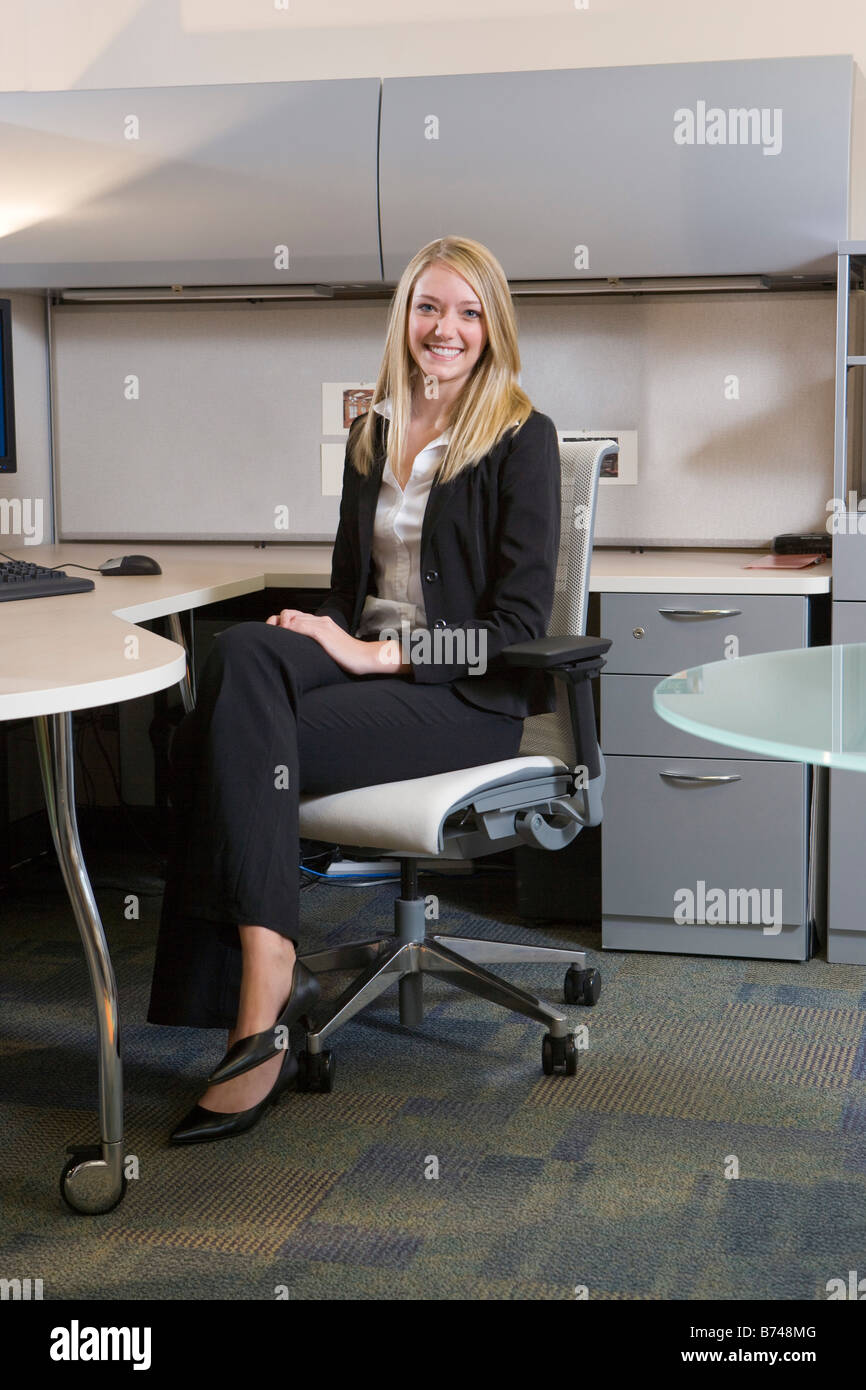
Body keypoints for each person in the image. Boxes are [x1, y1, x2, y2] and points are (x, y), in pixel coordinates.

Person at [147, 234, 562, 1144]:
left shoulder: (523, 436)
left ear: (492, 325)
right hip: (364, 659)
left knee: (214, 740)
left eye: (465, 311)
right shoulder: (374, 427)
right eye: (427, 307)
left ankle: (256, 1007)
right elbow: (347, 590)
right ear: (403, 317)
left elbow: (519, 628)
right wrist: (322, 633)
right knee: (241, 656)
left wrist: (378, 658)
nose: (443, 329)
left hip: (461, 698)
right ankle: (270, 968)